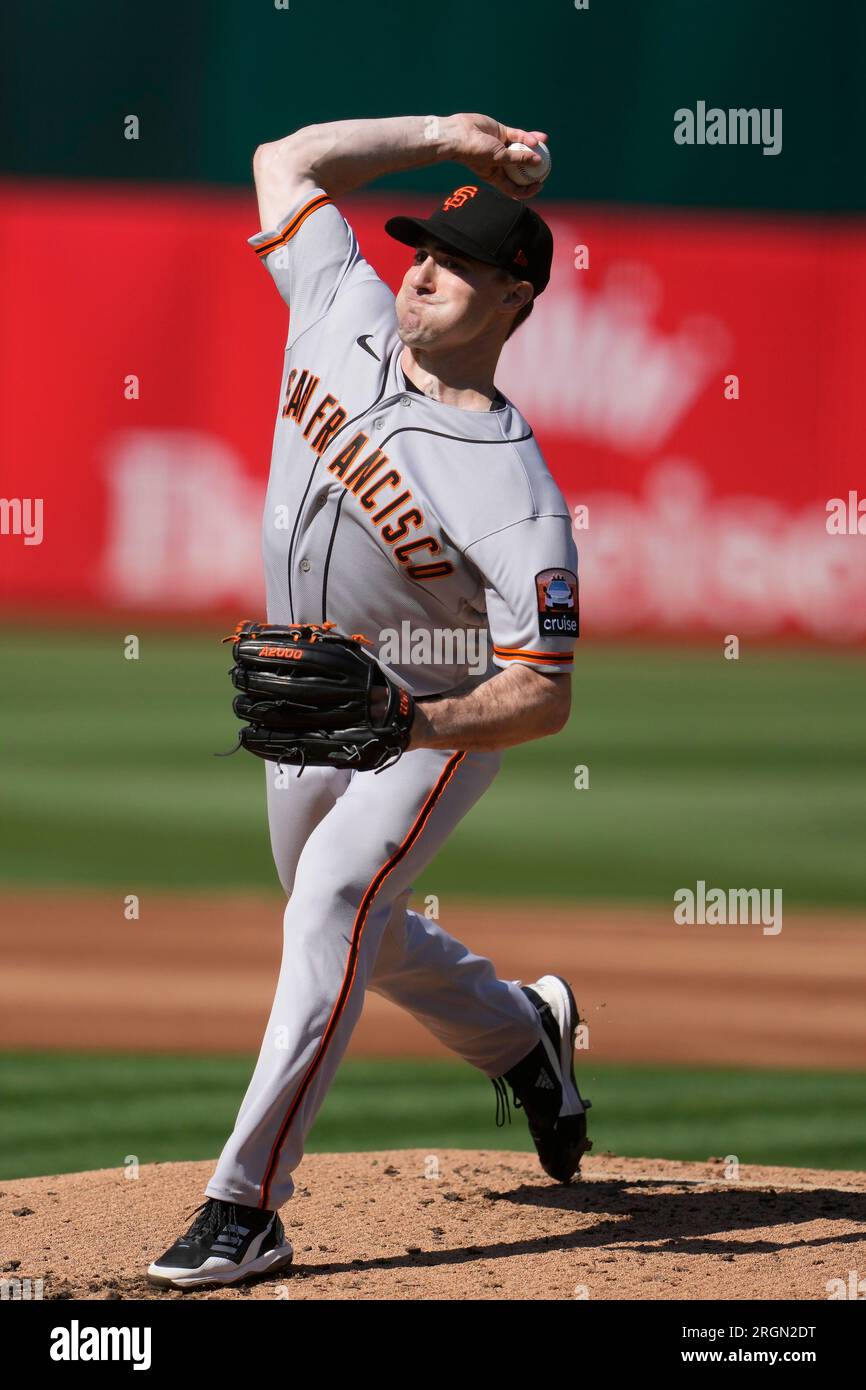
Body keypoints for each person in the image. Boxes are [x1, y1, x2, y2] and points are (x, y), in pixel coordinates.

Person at [147, 112, 590, 1290]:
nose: (426, 271)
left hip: (425, 725)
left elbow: (540, 695)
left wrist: (412, 727)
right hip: (303, 697)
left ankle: (245, 1206)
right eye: (420, 249)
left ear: (517, 300)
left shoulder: (515, 491)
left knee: (330, 906)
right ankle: (523, 1033)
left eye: (460, 263)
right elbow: (281, 161)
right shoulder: (337, 305)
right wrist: (448, 138)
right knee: (353, 925)